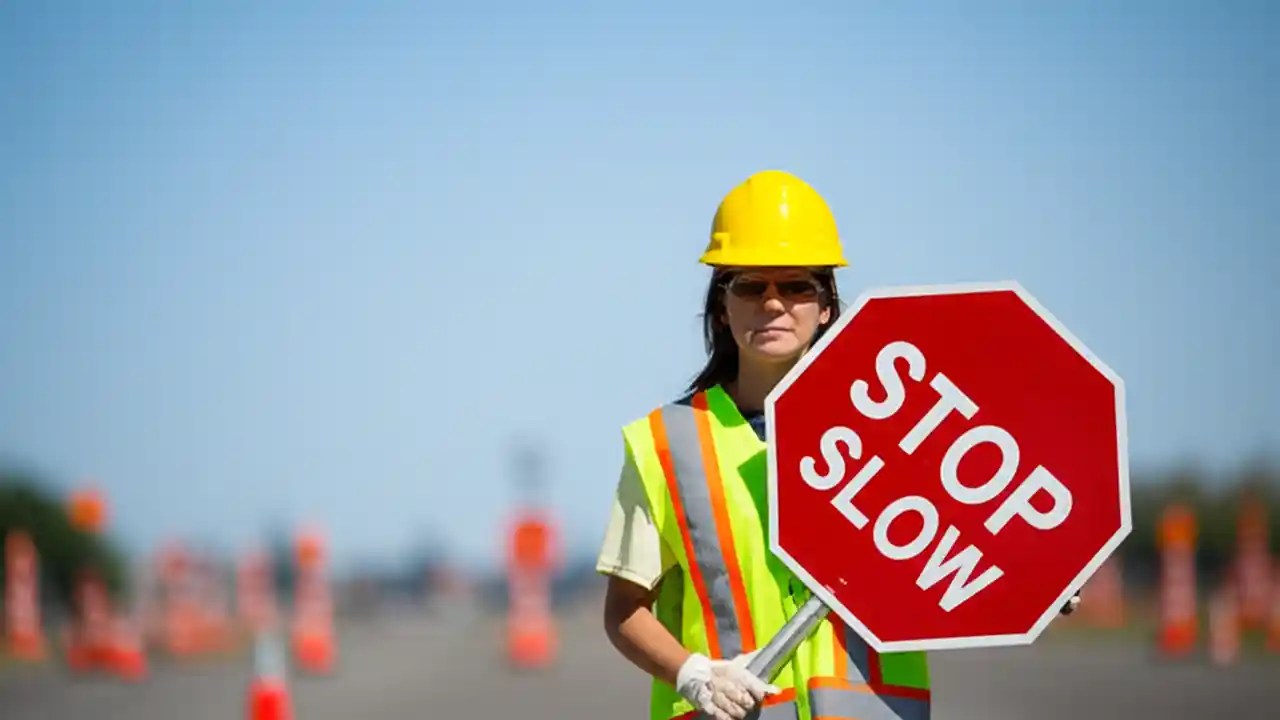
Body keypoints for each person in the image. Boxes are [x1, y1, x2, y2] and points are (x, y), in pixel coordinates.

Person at [596, 170, 1079, 720]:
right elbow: (624, 612)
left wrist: (1037, 567)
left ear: (826, 305)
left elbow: (946, 552)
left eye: (797, 285)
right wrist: (695, 675)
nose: (774, 304)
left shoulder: (901, 431)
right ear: (721, 307)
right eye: (752, 285)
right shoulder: (666, 444)